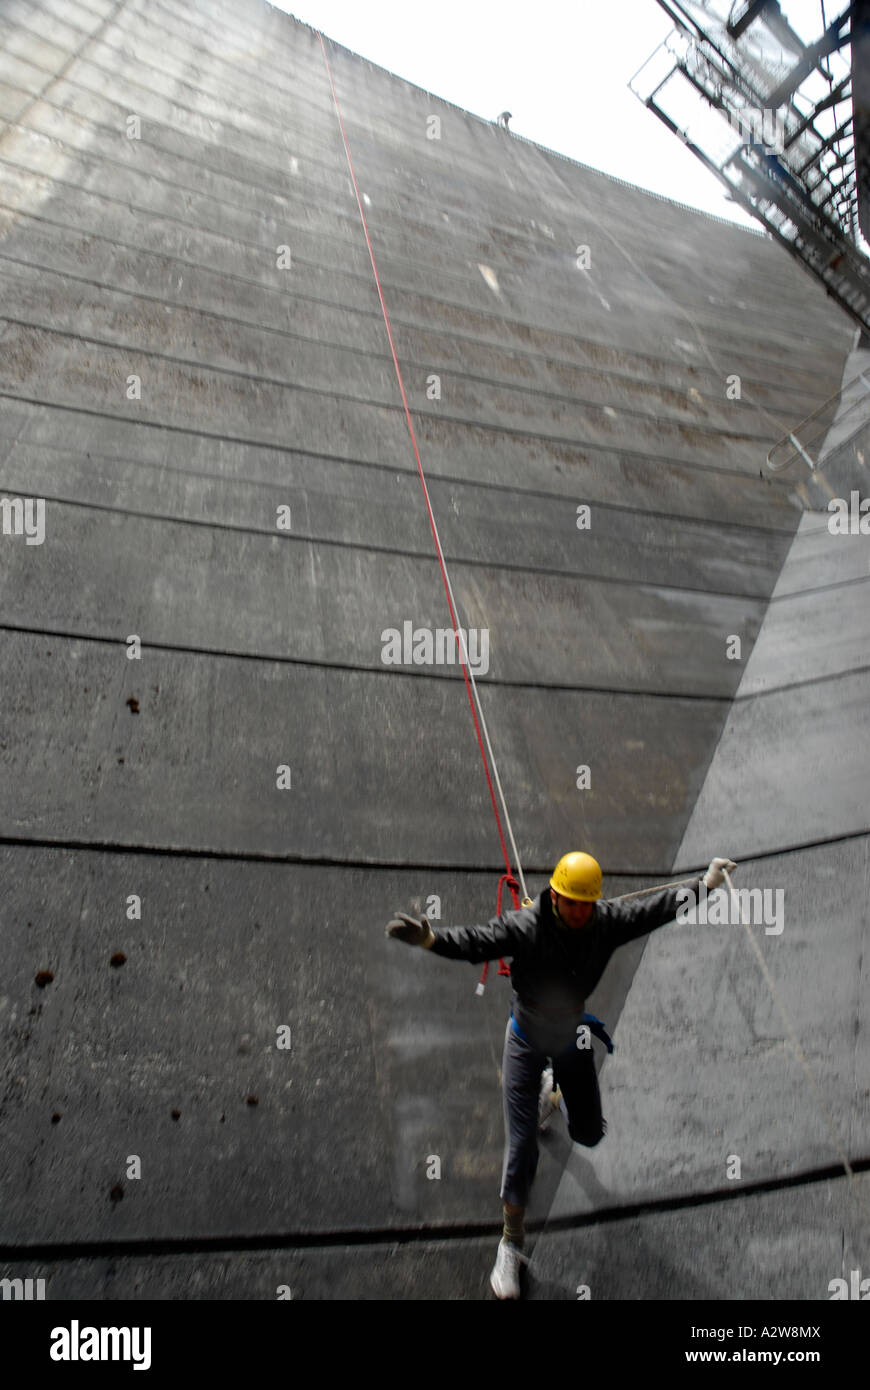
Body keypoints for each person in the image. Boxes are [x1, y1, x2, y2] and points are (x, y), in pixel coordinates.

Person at [386, 850, 737, 1299]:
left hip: (572, 1038)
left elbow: (655, 910)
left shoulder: (605, 922)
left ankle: (551, 1095)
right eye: (569, 900)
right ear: (553, 894)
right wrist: (433, 941)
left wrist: (703, 886)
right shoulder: (526, 926)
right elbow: (478, 940)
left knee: (589, 1134)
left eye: (584, 903)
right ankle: (511, 1246)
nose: (576, 910)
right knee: (522, 1148)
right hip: (526, 1040)